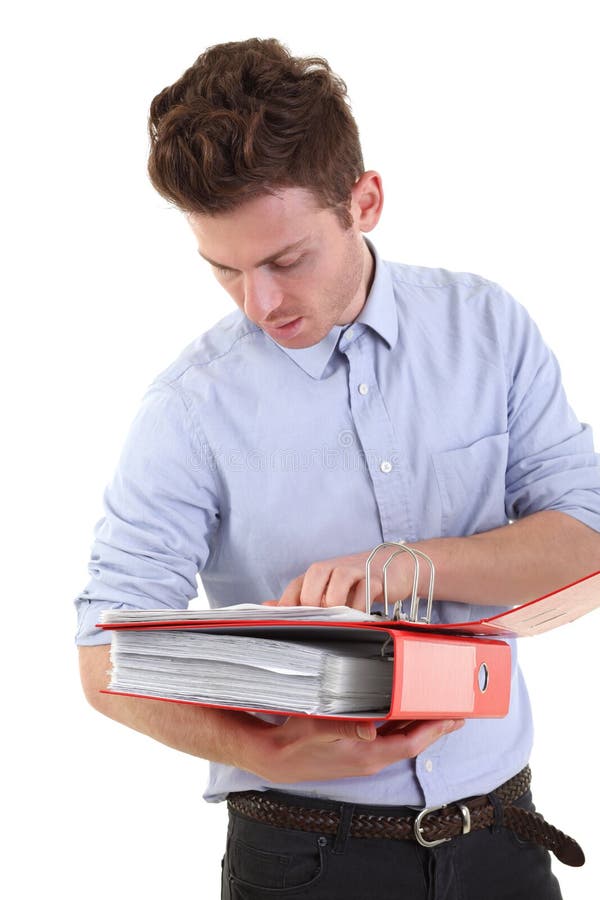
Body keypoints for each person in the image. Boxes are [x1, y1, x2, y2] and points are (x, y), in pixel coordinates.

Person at [75, 37, 600, 899]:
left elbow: (586, 544)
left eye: (286, 260)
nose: (261, 304)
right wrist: (263, 747)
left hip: (503, 838)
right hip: (303, 857)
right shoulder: (189, 408)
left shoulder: (489, 330)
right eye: (226, 270)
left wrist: (396, 566)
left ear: (366, 201)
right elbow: (103, 652)